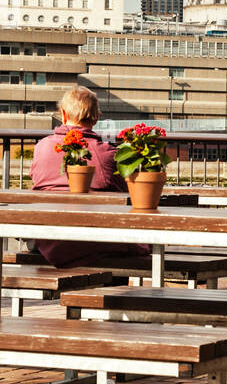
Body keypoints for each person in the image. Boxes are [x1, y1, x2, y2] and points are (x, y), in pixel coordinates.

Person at [30, 87, 143, 267]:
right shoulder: (107, 153)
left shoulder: (42, 147)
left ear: (63, 113)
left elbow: (37, 181)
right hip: (91, 241)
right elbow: (126, 192)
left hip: (47, 239)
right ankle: (115, 294)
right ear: (96, 117)